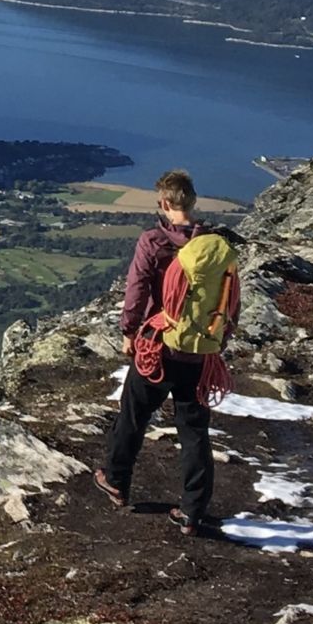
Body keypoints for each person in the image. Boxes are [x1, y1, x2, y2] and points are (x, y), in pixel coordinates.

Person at [95, 169, 238, 536]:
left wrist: (129, 330)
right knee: (193, 430)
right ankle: (192, 510)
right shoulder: (215, 246)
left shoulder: (154, 241)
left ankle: (116, 480)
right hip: (199, 351)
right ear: (192, 201)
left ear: (164, 203)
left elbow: (137, 290)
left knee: (133, 414)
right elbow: (230, 300)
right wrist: (218, 340)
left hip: (159, 345)